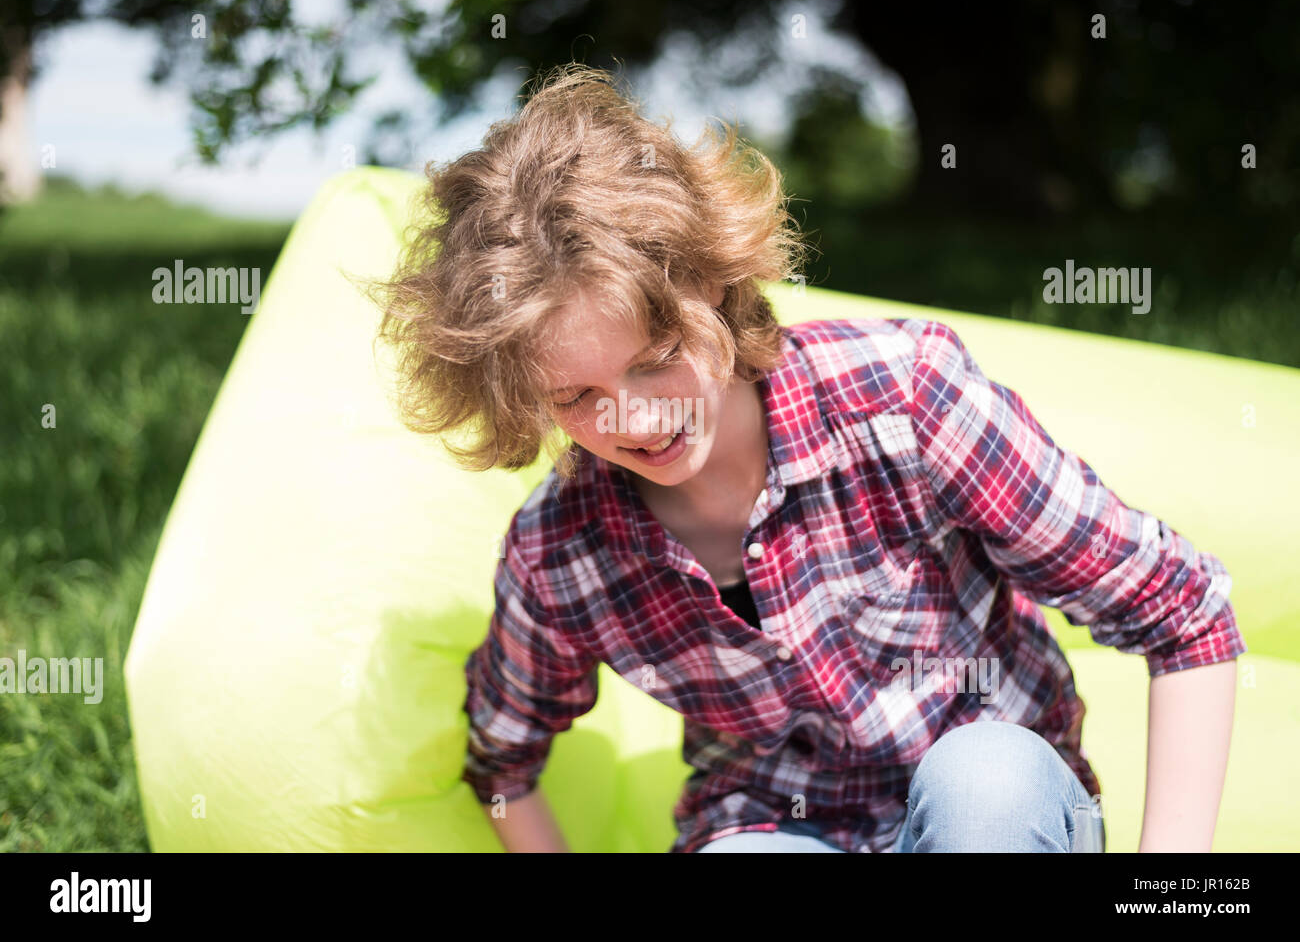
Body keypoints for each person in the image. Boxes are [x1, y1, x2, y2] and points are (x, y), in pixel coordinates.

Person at [368, 62, 1246, 853]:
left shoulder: (904, 400)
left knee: (984, 781)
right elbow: (502, 762)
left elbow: (1182, 607)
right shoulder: (563, 551)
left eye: (651, 356)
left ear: (711, 280)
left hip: (995, 818)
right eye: (576, 397)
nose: (634, 416)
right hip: (776, 823)